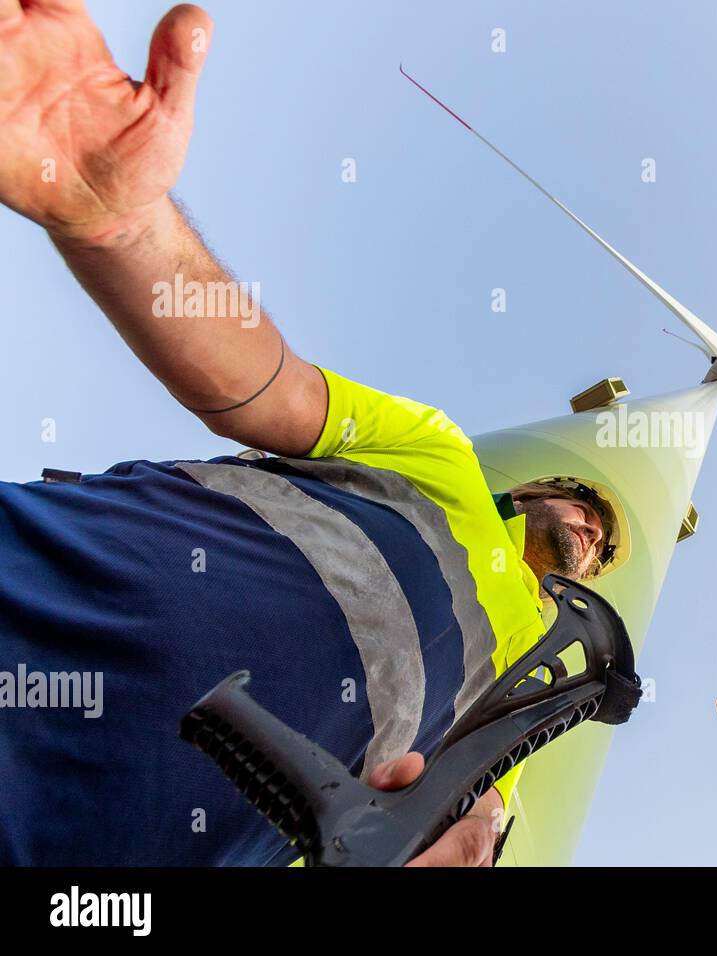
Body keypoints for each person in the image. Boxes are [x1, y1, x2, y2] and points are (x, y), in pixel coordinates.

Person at [0, 0, 614, 865]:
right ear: (535, 489)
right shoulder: (441, 454)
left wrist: (470, 845)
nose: (589, 534)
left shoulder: (525, 707)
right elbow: (267, 388)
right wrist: (125, 226)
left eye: (599, 545)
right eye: (586, 508)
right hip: (38, 578)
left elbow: (462, 842)